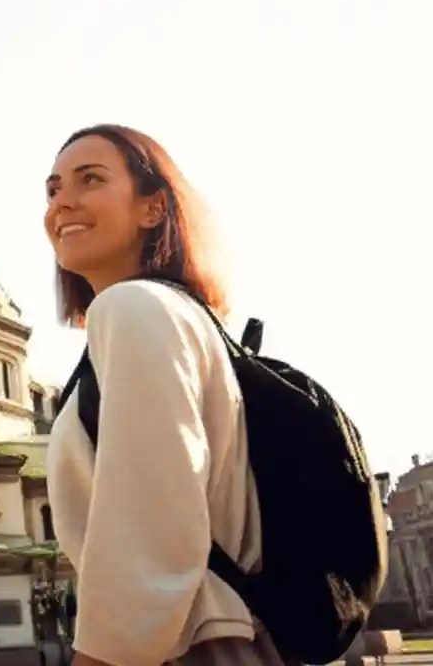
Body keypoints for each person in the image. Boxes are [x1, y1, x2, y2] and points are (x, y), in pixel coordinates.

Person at [43, 125, 290, 665]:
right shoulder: (168, 314)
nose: (63, 201)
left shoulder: (134, 308)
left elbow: (151, 516)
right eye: (54, 188)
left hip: (184, 645)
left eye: (91, 180)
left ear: (153, 208)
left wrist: (100, 657)